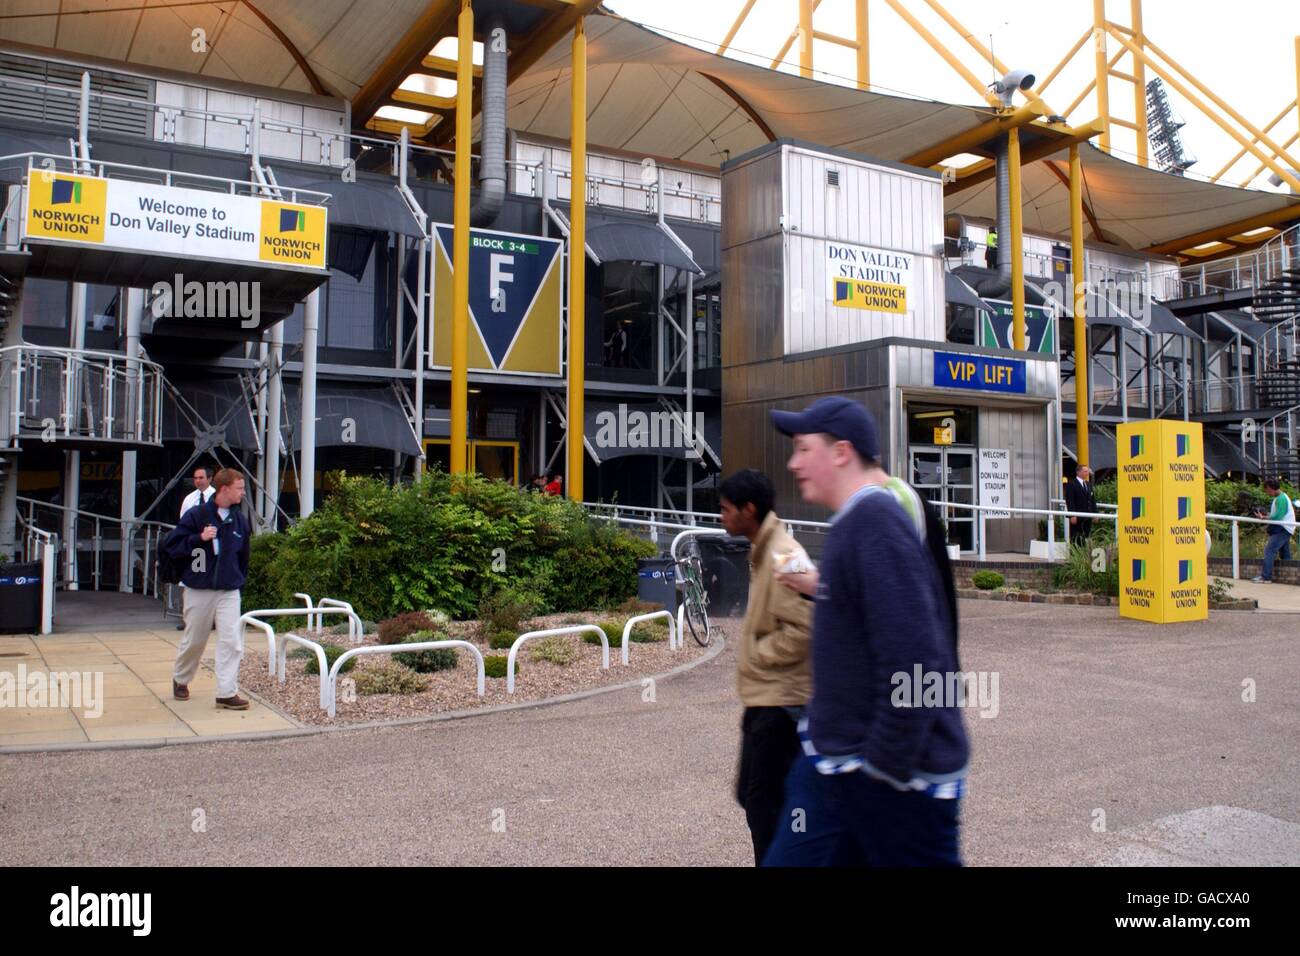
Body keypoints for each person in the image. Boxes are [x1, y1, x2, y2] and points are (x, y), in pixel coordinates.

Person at [762, 396, 969, 867]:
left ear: (840, 452)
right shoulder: (853, 523)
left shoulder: (874, 520)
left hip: (890, 781)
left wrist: (881, 770)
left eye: (802, 448)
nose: (793, 463)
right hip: (837, 765)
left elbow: (917, 660)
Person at [719, 468, 813, 864]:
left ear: (749, 509)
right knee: (755, 797)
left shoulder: (783, 556)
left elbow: (807, 628)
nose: (721, 517)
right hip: (765, 700)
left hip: (782, 702)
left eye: (726, 510)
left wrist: (758, 653)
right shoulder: (763, 549)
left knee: (765, 806)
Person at [166, 468, 253, 710]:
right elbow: (175, 546)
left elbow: (244, 556)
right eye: (239, 488)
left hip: (228, 589)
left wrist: (238, 580)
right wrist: (199, 539)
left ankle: (226, 692)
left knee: (231, 641)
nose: (243, 493)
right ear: (224, 489)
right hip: (199, 588)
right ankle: (181, 678)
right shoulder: (196, 515)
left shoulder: (239, 521)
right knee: (195, 639)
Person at [1252, 477, 1295, 583]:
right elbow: (1277, 516)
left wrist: (1264, 517)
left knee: (1269, 550)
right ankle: (1290, 578)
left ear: (1272, 488)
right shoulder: (1280, 497)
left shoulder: (1281, 499)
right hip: (1285, 528)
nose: (1267, 492)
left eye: (1267, 490)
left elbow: (1278, 517)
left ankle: (1266, 577)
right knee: (1285, 554)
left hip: (1283, 528)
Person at [1064, 464, 1096, 546]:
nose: (1087, 473)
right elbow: (1070, 501)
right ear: (1078, 472)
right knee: (1076, 537)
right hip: (1077, 517)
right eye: (1085, 471)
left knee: (1086, 537)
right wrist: (1072, 515)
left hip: (1087, 516)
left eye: (1087, 471)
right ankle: (1075, 557)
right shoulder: (1071, 484)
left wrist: (1095, 514)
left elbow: (1092, 500)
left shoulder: (1088, 484)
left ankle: (1083, 556)